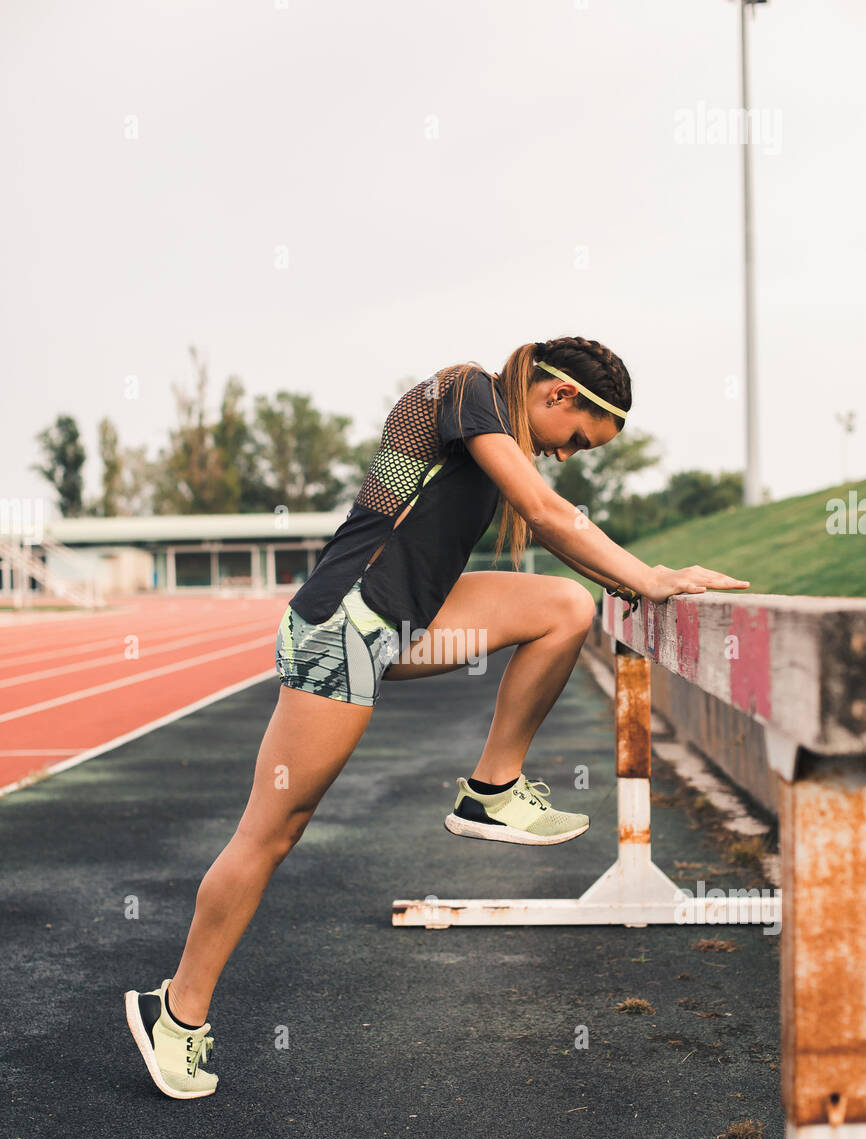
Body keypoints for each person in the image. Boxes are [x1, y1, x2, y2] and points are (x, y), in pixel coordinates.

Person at [124, 335, 748, 1098]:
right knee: (274, 830)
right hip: (341, 630)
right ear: (556, 398)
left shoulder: (499, 429)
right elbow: (545, 513)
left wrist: (642, 584)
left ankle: (491, 789)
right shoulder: (465, 391)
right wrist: (645, 575)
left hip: (407, 620)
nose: (572, 455)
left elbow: (555, 528)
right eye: (579, 439)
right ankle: (177, 1014)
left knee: (563, 606)